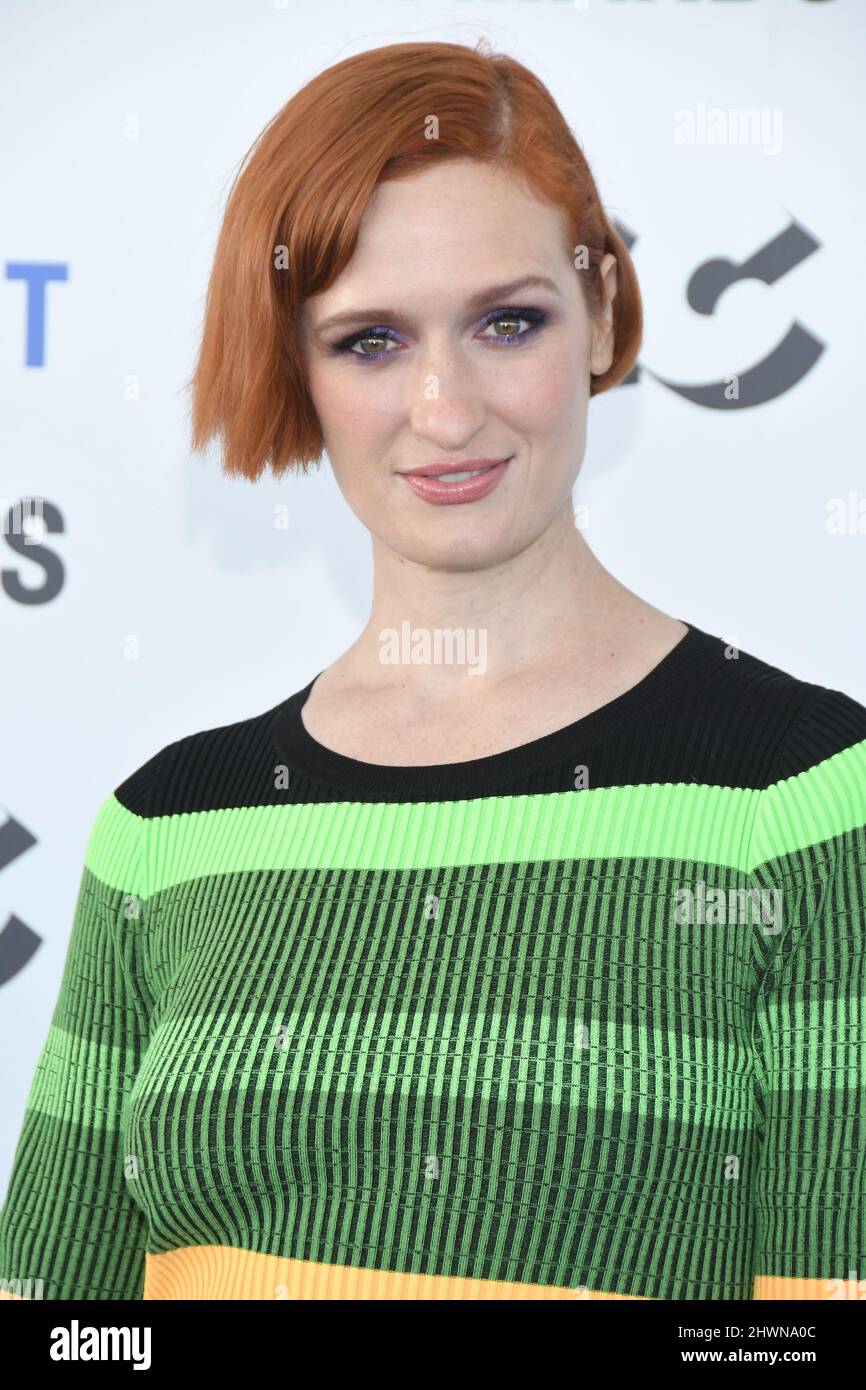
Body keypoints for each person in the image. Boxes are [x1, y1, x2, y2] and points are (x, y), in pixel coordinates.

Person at [1, 39, 864, 1302]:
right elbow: (61, 1323)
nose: (444, 410)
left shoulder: (802, 799)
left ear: (604, 318)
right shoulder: (168, 826)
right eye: (368, 342)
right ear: (295, 364)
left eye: (505, 321)